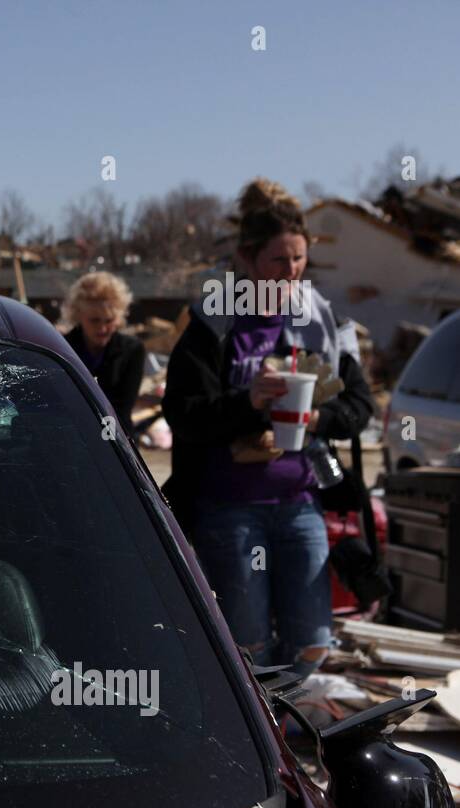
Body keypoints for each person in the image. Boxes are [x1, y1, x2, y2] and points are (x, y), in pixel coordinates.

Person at [162, 179, 374, 678]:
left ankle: (302, 744)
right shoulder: (214, 322)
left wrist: (316, 416)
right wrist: (250, 402)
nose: (292, 271)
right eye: (280, 261)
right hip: (231, 513)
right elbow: (184, 413)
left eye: (300, 260)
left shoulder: (320, 319)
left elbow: (360, 406)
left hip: (301, 506)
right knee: (247, 646)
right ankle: (261, 749)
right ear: (247, 259)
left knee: (311, 643)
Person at [62, 272, 146, 437]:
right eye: (94, 320)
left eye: (109, 321)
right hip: (71, 436)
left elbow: (121, 408)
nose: (102, 329)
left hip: (115, 438)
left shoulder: (132, 351)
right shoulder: (63, 348)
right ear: (79, 315)